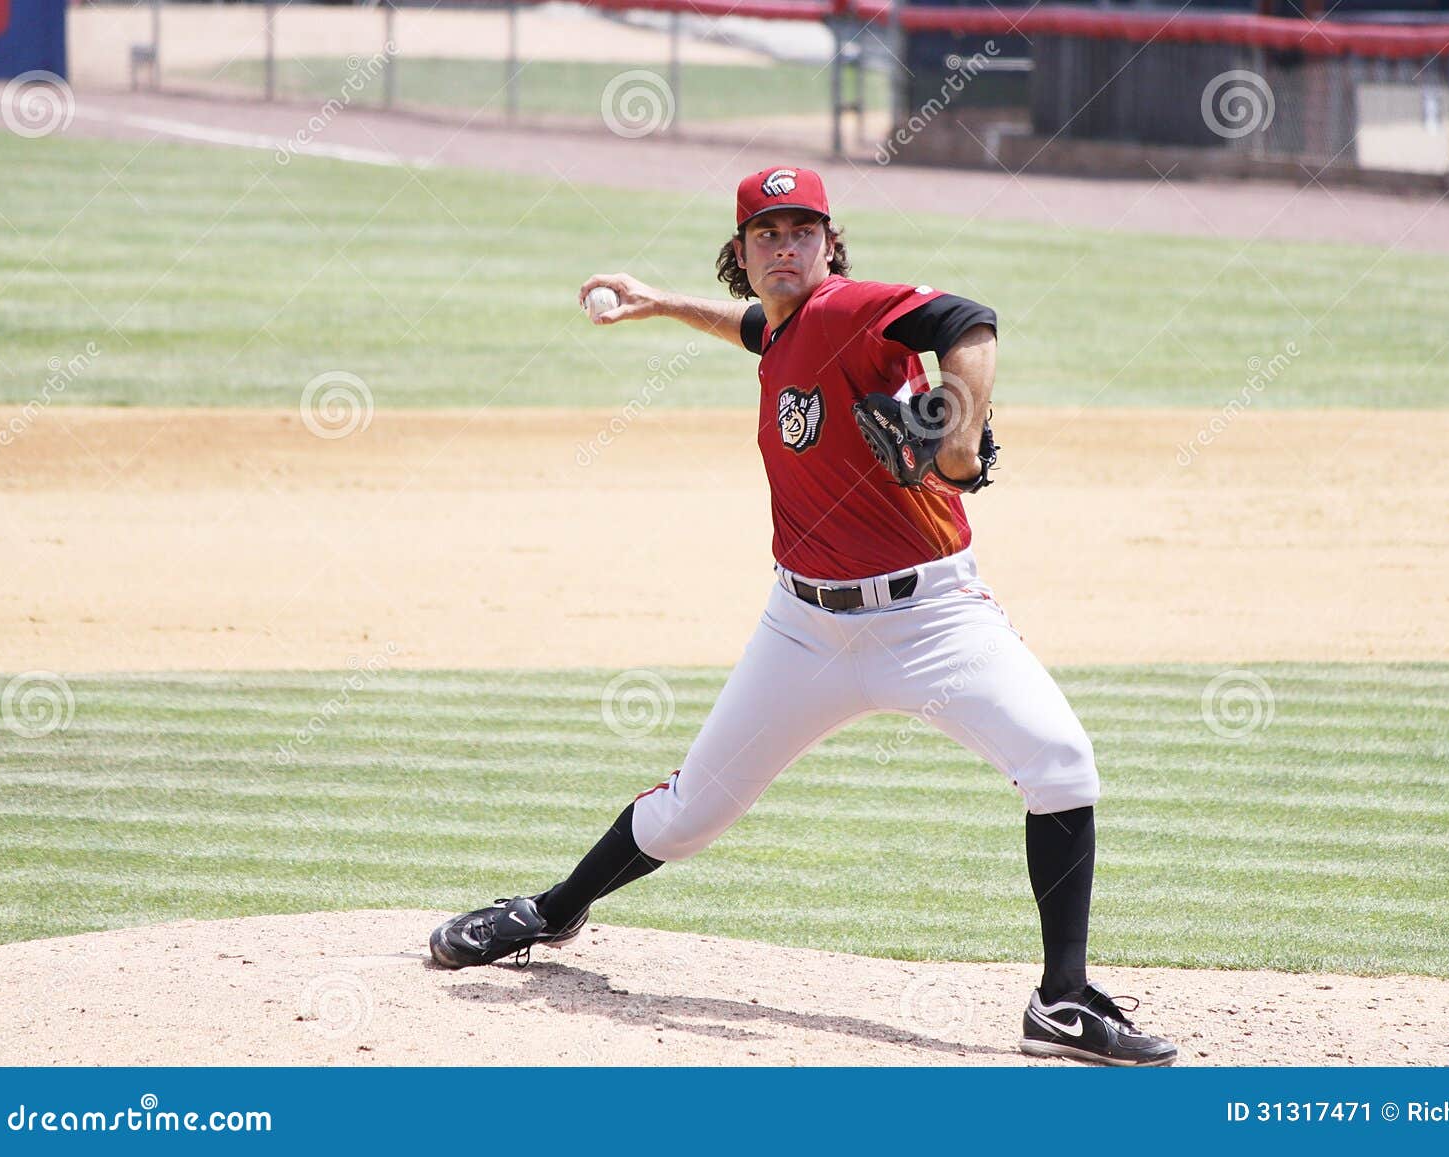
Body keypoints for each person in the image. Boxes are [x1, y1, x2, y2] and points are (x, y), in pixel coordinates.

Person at [429, 165, 1177, 1066]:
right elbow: (757, 329)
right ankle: (549, 912)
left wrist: (962, 431)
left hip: (934, 618)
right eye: (764, 235)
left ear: (831, 244)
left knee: (1060, 762)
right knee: (684, 817)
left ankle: (1059, 1001)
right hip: (802, 629)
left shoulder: (844, 310)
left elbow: (967, 320)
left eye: (801, 231)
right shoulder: (786, 327)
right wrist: (658, 302)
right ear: (741, 256)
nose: (784, 247)